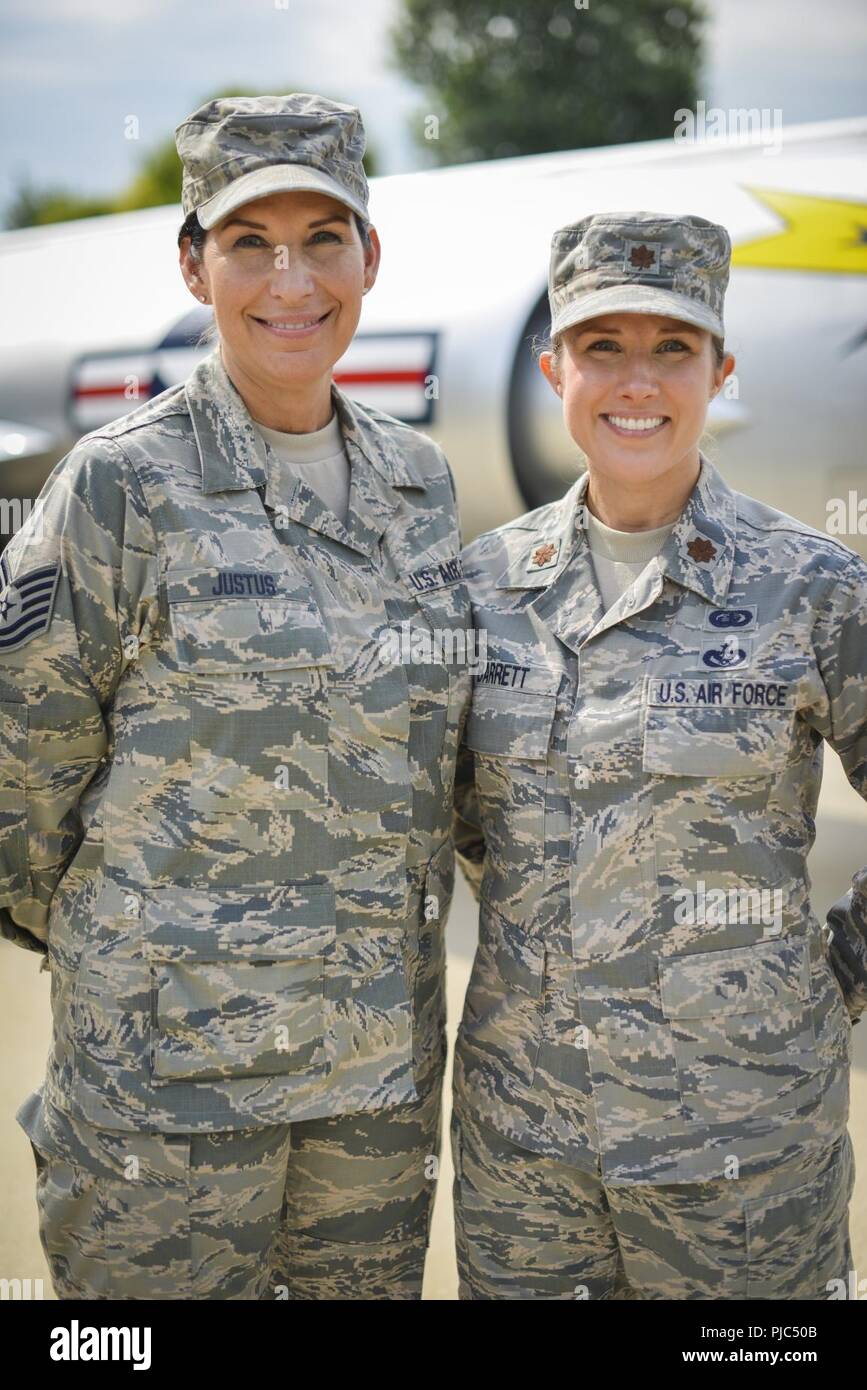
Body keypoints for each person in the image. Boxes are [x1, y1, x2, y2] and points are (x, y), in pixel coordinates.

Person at [0, 93, 472, 1299]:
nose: (291, 279)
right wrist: (138, 953)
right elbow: (20, 762)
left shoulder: (417, 482)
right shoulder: (121, 485)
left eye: (325, 237)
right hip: (167, 1096)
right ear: (193, 262)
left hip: (372, 1084)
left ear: (370, 258)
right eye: (249, 241)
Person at [450, 210, 866, 1300]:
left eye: (673, 348)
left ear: (720, 370)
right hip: (525, 1157)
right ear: (555, 368)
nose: (639, 381)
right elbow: (455, 825)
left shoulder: (813, 588)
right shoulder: (479, 593)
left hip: (747, 1146)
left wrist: (832, 982)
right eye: (604, 347)